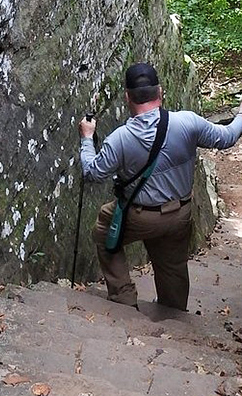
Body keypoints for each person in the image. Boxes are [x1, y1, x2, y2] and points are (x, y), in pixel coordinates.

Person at [79, 62, 242, 311]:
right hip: (180, 213)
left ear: (127, 97)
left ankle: (123, 297)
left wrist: (87, 138)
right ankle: (173, 312)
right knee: (173, 265)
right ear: (160, 92)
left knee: (104, 230)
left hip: (140, 217)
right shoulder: (187, 122)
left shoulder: (120, 139)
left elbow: (92, 173)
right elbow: (227, 137)